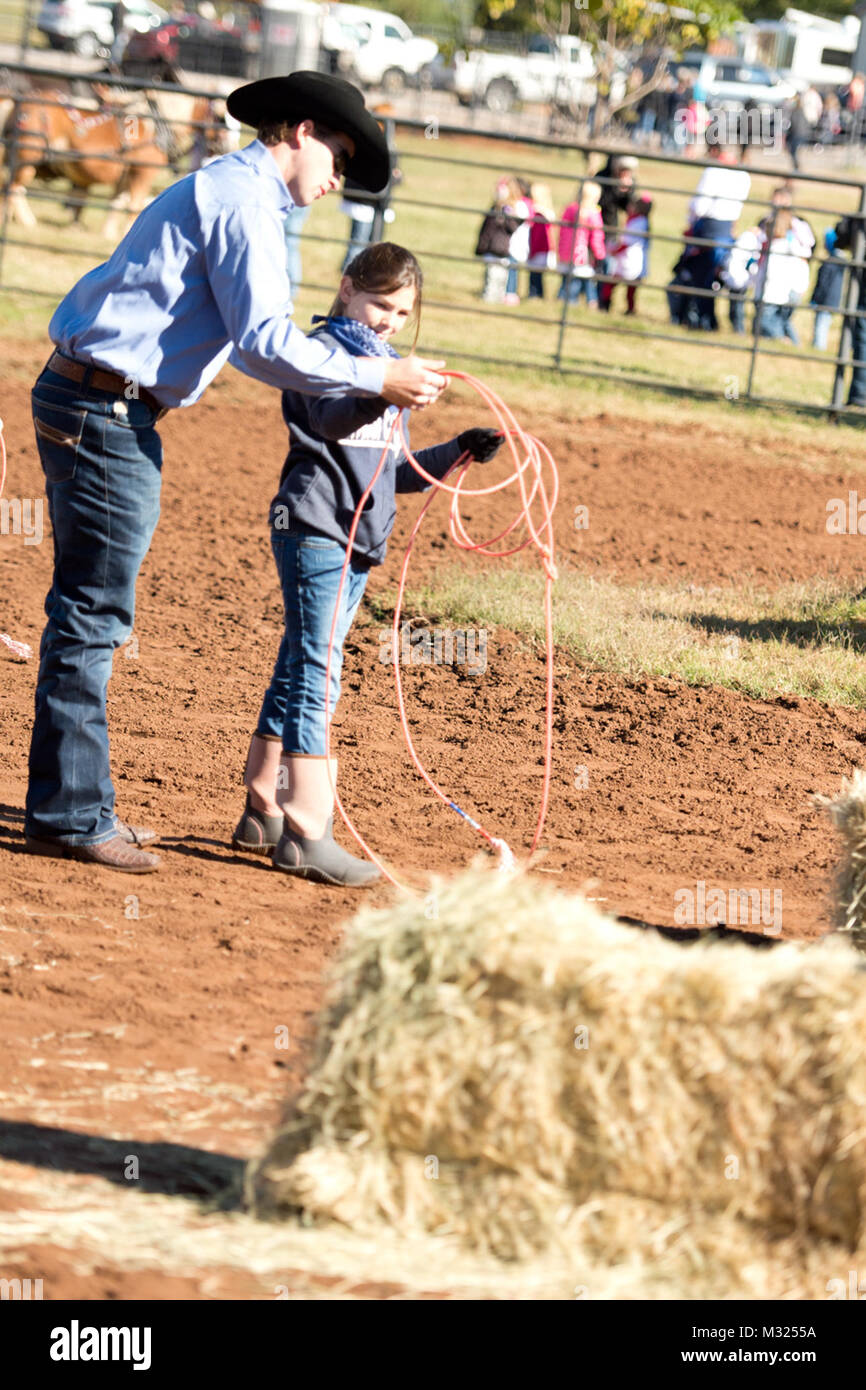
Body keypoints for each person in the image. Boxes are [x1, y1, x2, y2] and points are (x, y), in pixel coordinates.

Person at [24, 71, 448, 874]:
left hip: (97, 400)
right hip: (105, 409)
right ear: (296, 130)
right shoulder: (245, 202)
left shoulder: (235, 192)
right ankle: (72, 815)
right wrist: (374, 377)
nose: (337, 176)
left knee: (90, 606)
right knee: (93, 612)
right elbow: (261, 341)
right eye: (337, 152)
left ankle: (71, 805)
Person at [230, 243, 504, 885]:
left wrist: (458, 450)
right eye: (381, 303)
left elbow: (398, 473)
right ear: (347, 288)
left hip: (355, 539)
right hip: (314, 528)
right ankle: (306, 829)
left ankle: (262, 806)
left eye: (402, 311)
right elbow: (329, 420)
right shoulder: (323, 354)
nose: (388, 319)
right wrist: (386, 389)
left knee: (300, 664)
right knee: (318, 673)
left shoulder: (386, 369)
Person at [668, 146, 750, 331]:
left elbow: (699, 205)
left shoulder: (713, 171)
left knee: (701, 275)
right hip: (726, 229)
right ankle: (708, 319)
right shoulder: (742, 174)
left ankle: (703, 319)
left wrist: (691, 223)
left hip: (708, 228)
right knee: (714, 275)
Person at [754, 207, 814, 345]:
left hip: (771, 293)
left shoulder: (776, 247)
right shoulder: (791, 245)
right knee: (782, 321)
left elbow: (769, 272)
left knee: (765, 321)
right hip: (783, 292)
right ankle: (795, 344)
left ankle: (782, 340)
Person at [474, 176, 524, 304]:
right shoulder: (494, 208)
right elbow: (486, 230)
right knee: (492, 275)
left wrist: (508, 214)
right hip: (493, 249)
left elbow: (513, 227)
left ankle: (500, 297)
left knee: (500, 276)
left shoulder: (514, 208)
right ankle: (490, 297)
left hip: (503, 249)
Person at [556, 180, 605, 305]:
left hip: (566, 253)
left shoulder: (569, 209)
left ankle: (562, 299)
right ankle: (580, 302)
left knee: (567, 280)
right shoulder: (592, 214)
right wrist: (600, 254)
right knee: (580, 281)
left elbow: (561, 230)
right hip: (582, 254)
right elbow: (596, 236)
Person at [607, 192, 651, 315]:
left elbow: (627, 242)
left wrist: (615, 251)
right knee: (629, 287)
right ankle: (627, 309)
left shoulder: (638, 223)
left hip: (629, 260)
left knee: (614, 283)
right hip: (630, 259)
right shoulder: (639, 221)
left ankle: (606, 303)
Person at [809, 221, 850, 352]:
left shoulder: (829, 263)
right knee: (824, 324)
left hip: (824, 300)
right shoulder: (843, 263)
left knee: (821, 325)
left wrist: (815, 299)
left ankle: (818, 347)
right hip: (834, 300)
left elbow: (823, 284)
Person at [526, 182, 555, 300]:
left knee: (535, 276)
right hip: (545, 250)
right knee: (538, 275)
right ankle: (539, 295)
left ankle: (535, 295)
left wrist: (532, 251)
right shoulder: (548, 212)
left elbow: (538, 236)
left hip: (538, 249)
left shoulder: (538, 214)